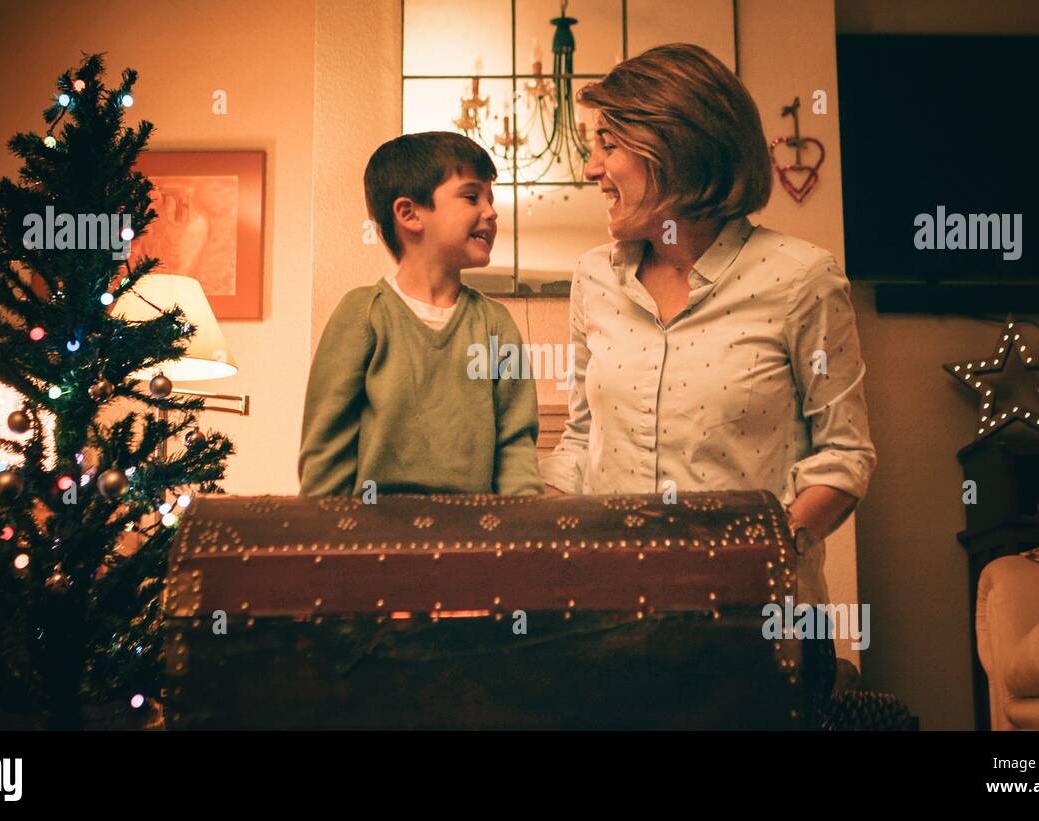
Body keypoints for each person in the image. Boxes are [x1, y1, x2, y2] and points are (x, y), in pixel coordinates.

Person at [541, 44, 877, 607]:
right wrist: (545, 543)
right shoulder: (593, 277)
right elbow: (580, 440)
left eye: (608, 144)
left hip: (752, 623)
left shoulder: (802, 279)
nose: (591, 168)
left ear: (674, 147)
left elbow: (845, 457)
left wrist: (761, 557)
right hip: (611, 611)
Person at [297, 131, 542, 496]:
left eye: (490, 200)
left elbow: (515, 443)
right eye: (472, 196)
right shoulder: (362, 314)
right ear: (409, 214)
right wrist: (332, 541)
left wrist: (519, 534)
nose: (491, 212)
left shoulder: (497, 325)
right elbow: (325, 455)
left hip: (475, 538)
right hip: (375, 538)